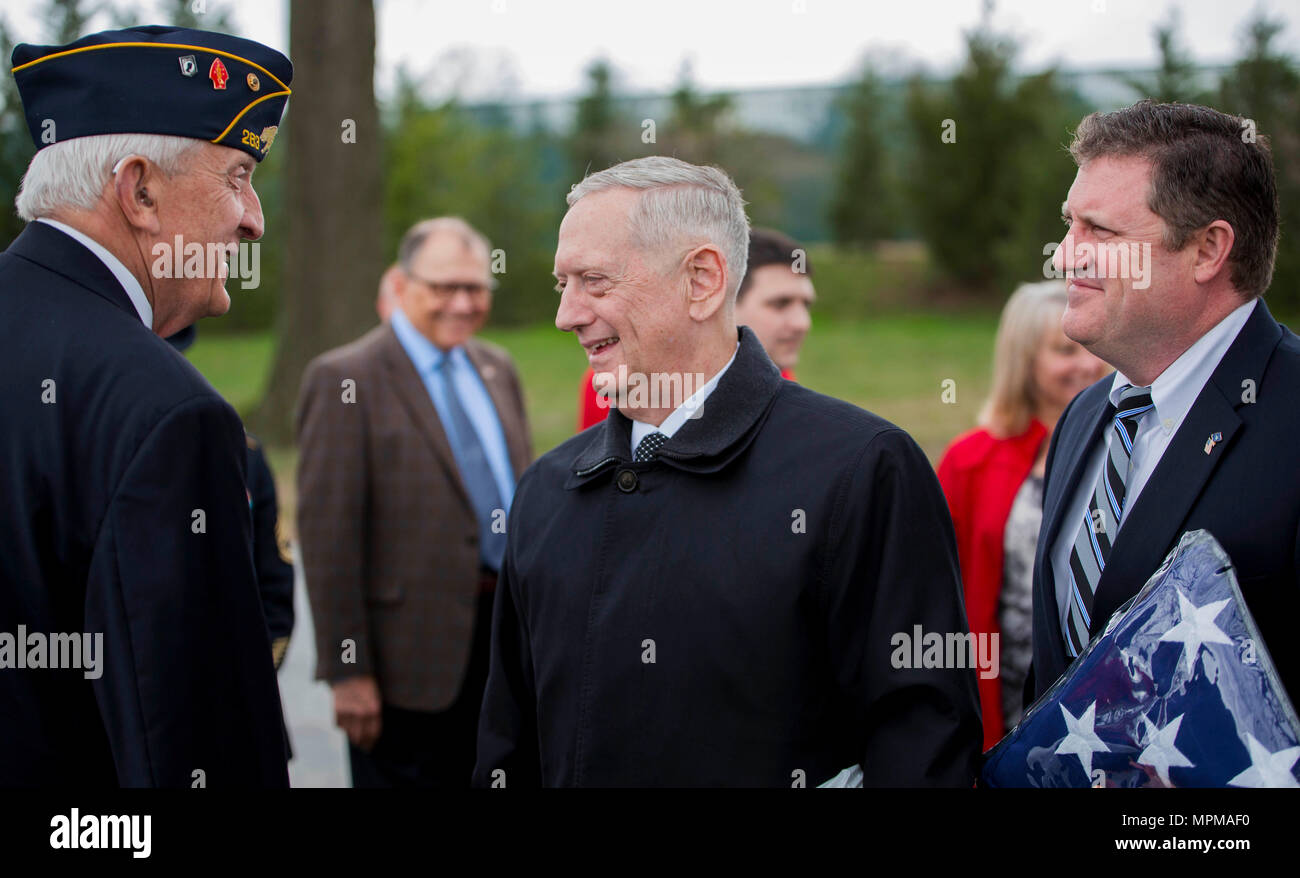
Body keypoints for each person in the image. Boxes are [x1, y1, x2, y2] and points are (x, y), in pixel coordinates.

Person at [475, 157, 981, 787]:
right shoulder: (548, 492)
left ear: (702, 280)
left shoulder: (862, 470)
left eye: (595, 281)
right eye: (563, 284)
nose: (568, 314)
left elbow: (922, 742)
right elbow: (509, 746)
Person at [0, 25, 293, 786]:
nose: (254, 218)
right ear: (139, 191)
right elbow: (198, 742)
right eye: (236, 177)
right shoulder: (164, 409)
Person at [1030, 100, 1300, 709]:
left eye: (1100, 231)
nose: (1065, 254)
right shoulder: (1086, 415)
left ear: (1207, 250)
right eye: (1070, 224)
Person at [297, 217, 532, 787]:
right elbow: (329, 537)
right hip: (406, 667)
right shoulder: (344, 379)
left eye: (475, 288)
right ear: (402, 286)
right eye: (443, 286)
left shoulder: (498, 369)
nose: (461, 302)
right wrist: (348, 671)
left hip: (503, 646)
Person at [937, 281, 1107, 749]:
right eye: (1063, 351)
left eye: (1091, 347)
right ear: (1022, 359)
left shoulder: (1130, 444)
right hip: (1002, 691)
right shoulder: (971, 462)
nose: (1087, 365)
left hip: (1106, 690)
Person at [574, 226, 812, 431]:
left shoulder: (781, 380)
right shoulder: (621, 382)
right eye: (780, 304)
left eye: (806, 305)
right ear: (718, 294)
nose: (802, 323)